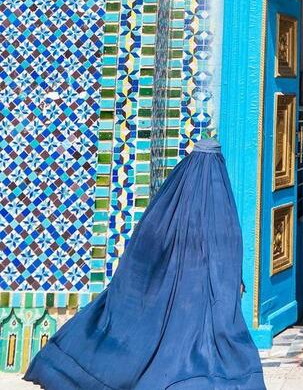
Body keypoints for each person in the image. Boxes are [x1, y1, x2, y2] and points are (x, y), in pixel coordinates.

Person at [24, 139, 265, 389]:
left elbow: (144, 252)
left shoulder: (167, 205)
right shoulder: (222, 210)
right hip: (196, 306)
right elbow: (226, 258)